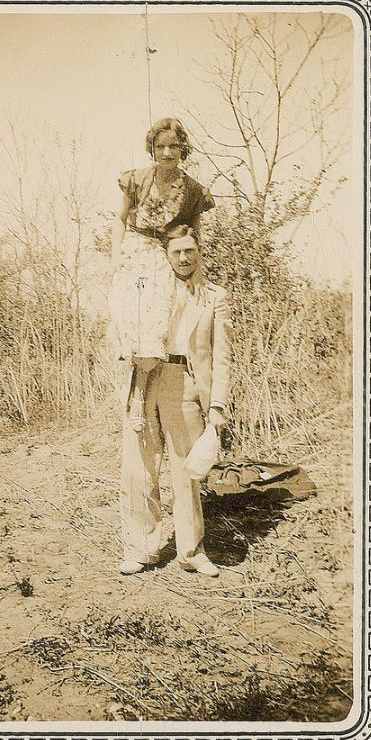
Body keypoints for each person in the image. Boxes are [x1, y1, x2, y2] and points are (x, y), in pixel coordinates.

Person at [117, 227, 231, 576]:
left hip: (185, 384)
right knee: (140, 469)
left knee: (187, 470)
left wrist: (217, 406)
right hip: (146, 379)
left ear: (199, 253)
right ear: (166, 257)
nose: (184, 258)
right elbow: (125, 327)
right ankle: (141, 549)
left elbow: (222, 356)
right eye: (176, 252)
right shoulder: (148, 290)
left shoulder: (215, 296)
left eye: (189, 251)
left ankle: (192, 551)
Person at [109, 117, 215, 431]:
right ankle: (130, 393)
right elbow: (119, 218)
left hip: (166, 257)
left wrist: (198, 270)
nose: (167, 152)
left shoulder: (193, 189)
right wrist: (115, 255)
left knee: (158, 328)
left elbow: (196, 232)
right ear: (152, 149)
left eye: (173, 146)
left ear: (183, 149)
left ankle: (143, 397)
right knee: (129, 323)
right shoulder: (137, 179)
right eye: (160, 146)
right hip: (134, 254)